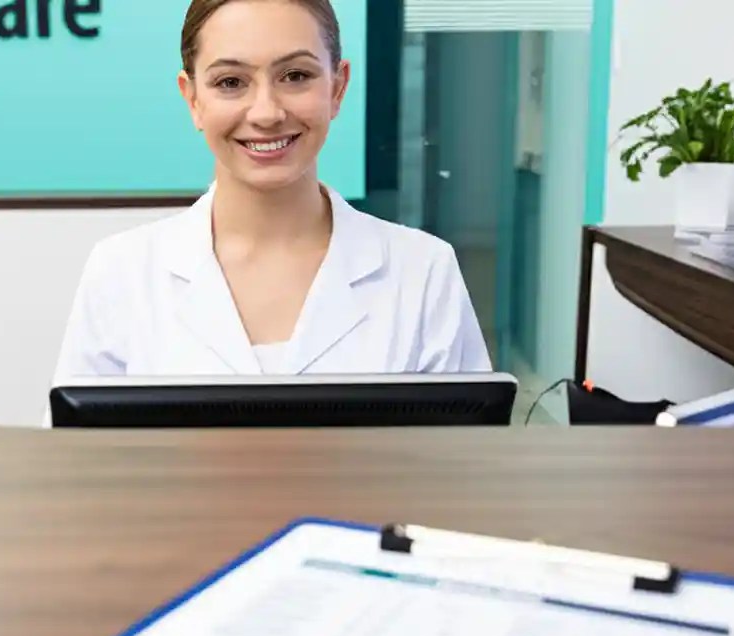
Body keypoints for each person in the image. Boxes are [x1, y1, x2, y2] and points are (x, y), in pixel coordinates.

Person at [51, 0, 490, 385]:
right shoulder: (122, 273)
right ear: (193, 100)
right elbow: (74, 465)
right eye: (230, 82)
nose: (266, 113)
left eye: (295, 75)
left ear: (337, 88)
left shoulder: (423, 271)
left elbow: (468, 464)